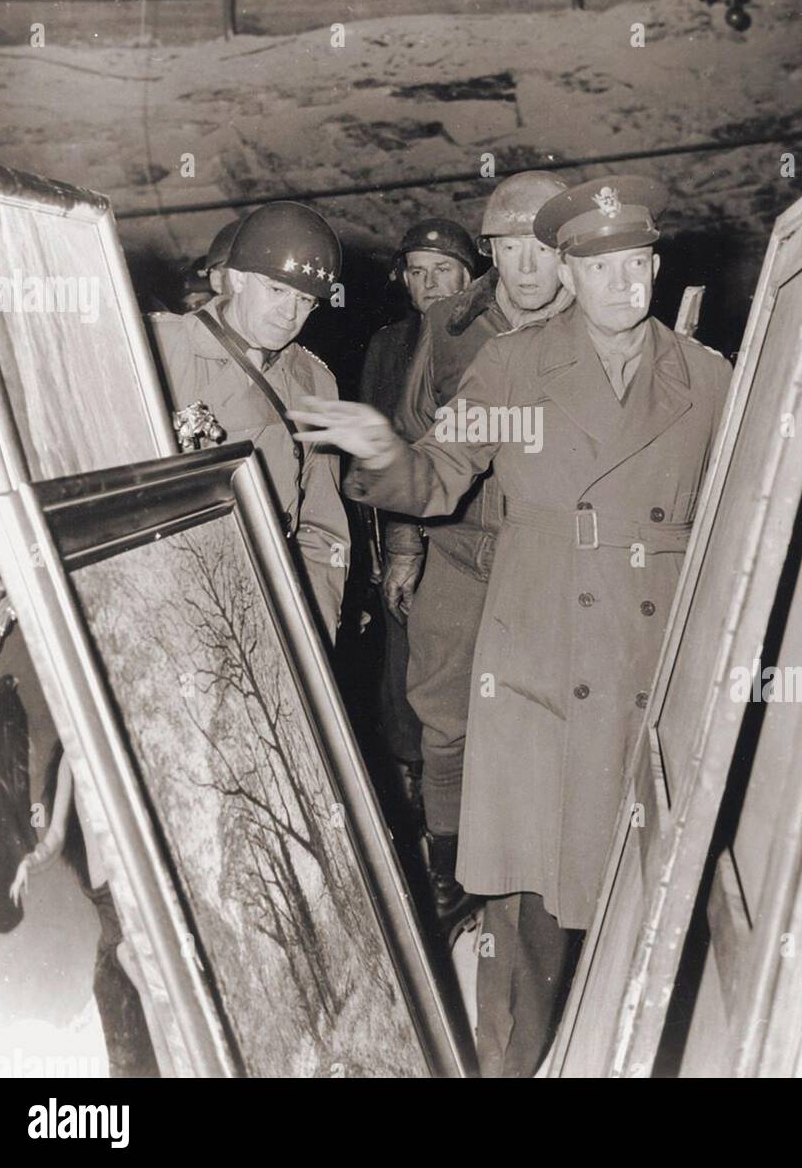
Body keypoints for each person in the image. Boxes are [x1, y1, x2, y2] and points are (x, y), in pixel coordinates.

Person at [289, 174, 732, 1076]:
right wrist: (382, 449)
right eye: (600, 267)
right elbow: (439, 475)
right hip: (539, 653)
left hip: (654, 661)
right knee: (528, 909)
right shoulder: (515, 366)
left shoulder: (711, 375)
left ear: (655, 266)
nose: (623, 284)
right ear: (567, 273)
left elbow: (743, 513)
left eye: (637, 264)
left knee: (643, 889)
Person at [380, 172, 572, 942]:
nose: (525, 270)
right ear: (488, 250)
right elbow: (409, 434)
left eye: (542, 250)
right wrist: (402, 547)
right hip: (459, 549)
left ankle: (541, 872)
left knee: (548, 713)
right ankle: (449, 870)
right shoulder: (450, 323)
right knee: (443, 718)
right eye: (508, 249)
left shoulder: (600, 318)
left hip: (546, 554)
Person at [147, 200, 350, 644]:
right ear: (236, 277)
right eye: (276, 290)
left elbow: (322, 525)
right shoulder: (160, 348)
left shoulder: (315, 381)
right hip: (169, 592)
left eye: (304, 301)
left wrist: (314, 628)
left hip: (269, 597)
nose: (289, 314)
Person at [357, 218, 479, 816]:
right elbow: (381, 450)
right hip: (408, 533)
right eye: (417, 272)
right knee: (405, 673)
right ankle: (419, 814)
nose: (429, 284)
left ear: (469, 276)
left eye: (443, 271)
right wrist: (399, 546)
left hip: (473, 536)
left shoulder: (490, 340)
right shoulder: (387, 346)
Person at [10, 743, 162, 1078]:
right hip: (112, 899)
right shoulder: (71, 756)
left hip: (139, 878)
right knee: (147, 984)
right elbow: (56, 836)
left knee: (156, 988)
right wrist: (30, 862)